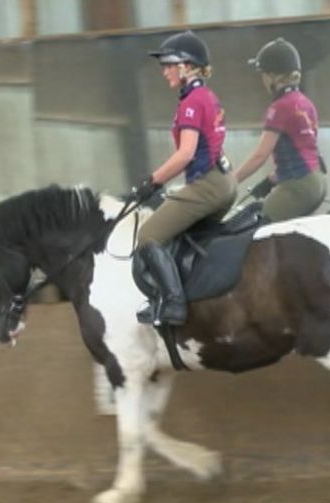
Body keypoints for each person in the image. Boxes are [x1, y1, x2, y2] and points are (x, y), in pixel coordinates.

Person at [132, 30, 237, 327]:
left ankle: (174, 305)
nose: (164, 71)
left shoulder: (191, 102)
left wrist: (151, 182)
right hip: (224, 181)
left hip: (208, 185)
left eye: (168, 64)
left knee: (148, 236)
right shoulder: (207, 97)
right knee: (179, 234)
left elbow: (185, 154)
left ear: (187, 66)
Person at [234, 37, 327, 223]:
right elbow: (300, 154)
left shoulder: (279, 107)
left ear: (271, 76)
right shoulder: (306, 104)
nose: (262, 79)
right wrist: (270, 181)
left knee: (255, 227)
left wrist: (230, 182)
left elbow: (260, 156)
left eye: (263, 74)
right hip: (319, 183)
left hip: (298, 186)